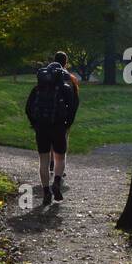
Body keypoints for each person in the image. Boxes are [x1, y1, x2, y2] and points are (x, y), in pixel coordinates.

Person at [25, 59, 79, 205]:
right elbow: (72, 108)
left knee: (43, 160)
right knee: (59, 158)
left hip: (41, 128)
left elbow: (28, 109)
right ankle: (56, 182)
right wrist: (67, 123)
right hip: (59, 127)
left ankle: (46, 192)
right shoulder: (66, 88)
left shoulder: (37, 89)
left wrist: (35, 124)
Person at [54, 51, 80, 175]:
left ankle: (50, 164)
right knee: (63, 141)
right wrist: (70, 119)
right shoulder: (70, 78)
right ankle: (59, 170)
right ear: (66, 63)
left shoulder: (46, 77)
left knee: (49, 141)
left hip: (46, 116)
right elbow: (75, 102)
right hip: (63, 117)